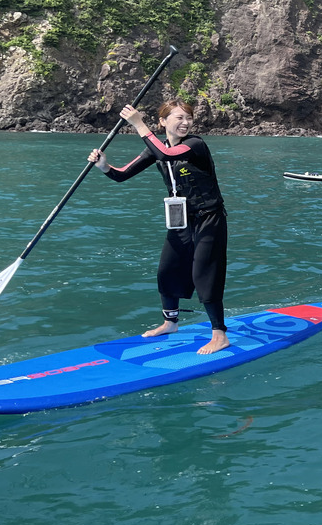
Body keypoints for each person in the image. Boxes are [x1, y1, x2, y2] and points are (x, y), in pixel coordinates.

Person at [88, 99, 230, 355]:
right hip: (180, 219)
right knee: (167, 270)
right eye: (178, 118)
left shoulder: (195, 144)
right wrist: (103, 166)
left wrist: (138, 123)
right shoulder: (158, 147)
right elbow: (122, 174)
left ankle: (219, 335)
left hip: (208, 218)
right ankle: (170, 323)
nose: (185, 123)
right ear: (163, 121)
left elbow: (169, 155)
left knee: (204, 274)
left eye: (188, 118)